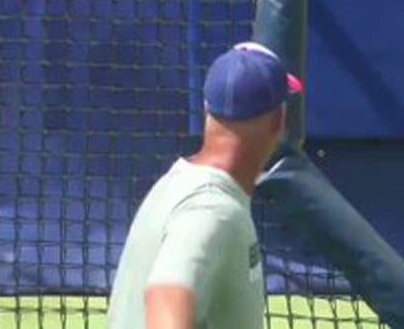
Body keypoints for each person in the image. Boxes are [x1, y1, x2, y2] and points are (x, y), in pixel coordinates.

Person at [107, 41, 303, 329]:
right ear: (278, 120)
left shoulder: (181, 185)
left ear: (207, 110)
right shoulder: (212, 210)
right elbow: (166, 300)